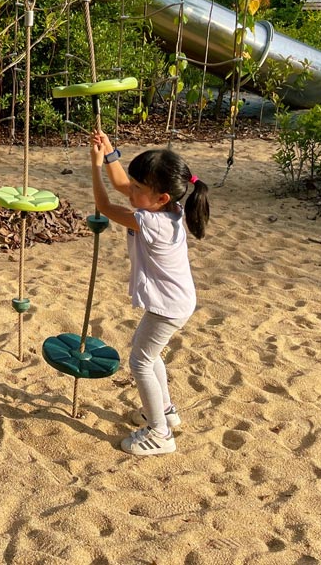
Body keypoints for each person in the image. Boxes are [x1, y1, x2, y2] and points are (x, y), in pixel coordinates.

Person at [89, 130, 210, 456]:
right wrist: (112, 152)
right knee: (149, 355)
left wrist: (95, 165)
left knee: (140, 361)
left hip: (169, 306)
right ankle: (166, 411)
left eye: (139, 188)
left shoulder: (149, 222)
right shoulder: (168, 211)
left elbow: (104, 202)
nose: (132, 191)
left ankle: (160, 433)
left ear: (161, 198)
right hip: (175, 301)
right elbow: (121, 186)